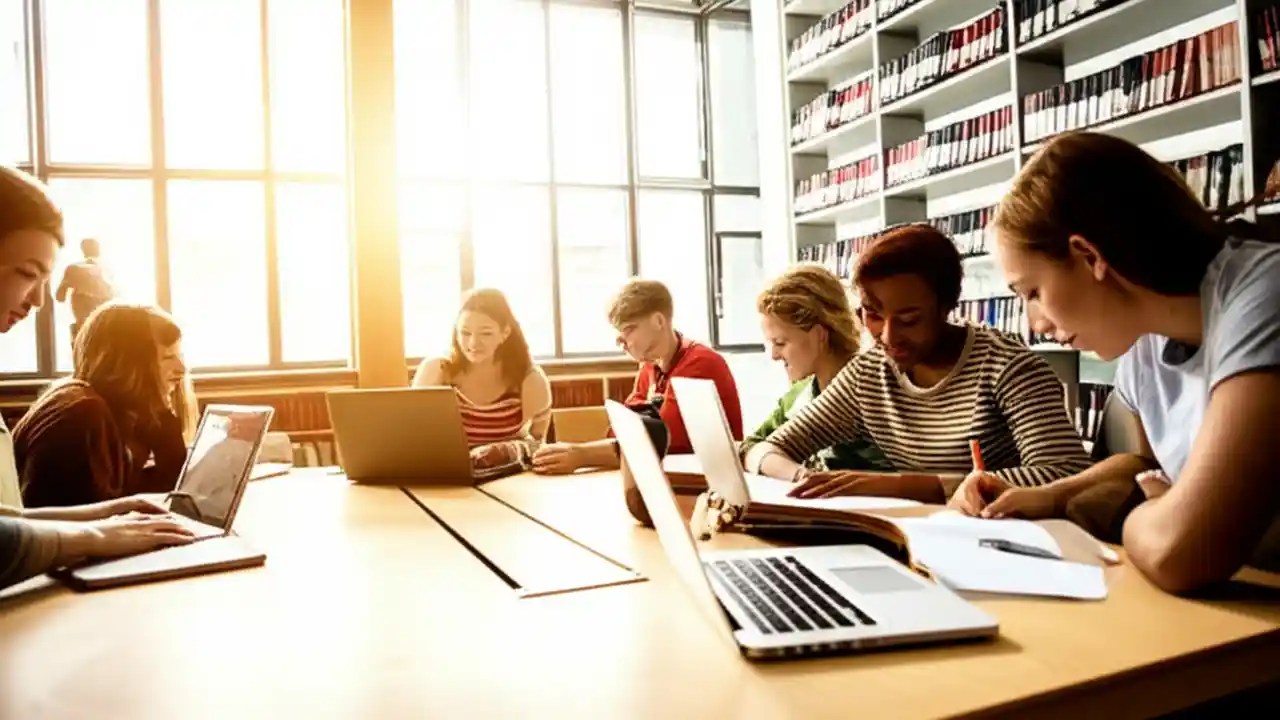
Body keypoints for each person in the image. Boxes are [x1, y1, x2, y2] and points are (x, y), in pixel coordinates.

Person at [950, 131, 1280, 594]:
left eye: (1033, 293)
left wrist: (1145, 516)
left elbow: (1181, 552)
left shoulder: (1265, 296)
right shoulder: (1145, 341)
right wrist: (1049, 497)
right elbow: (1145, 465)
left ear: (1089, 256)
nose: (1036, 324)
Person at [743, 224, 1091, 502]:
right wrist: (805, 478)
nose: (889, 337)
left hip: (1012, 537)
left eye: (909, 319)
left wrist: (900, 486)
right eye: (873, 315)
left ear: (946, 306)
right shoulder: (870, 374)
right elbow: (766, 448)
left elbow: (1066, 471)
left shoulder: (1007, 367)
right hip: (926, 535)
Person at [0, 166, 191, 590]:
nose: (37, 301)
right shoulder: (83, 413)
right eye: (28, 273)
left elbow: (7, 519)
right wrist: (97, 534)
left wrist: (109, 515)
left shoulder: (87, 403)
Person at [533, 278, 743, 475]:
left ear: (659, 321)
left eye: (629, 329)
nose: (621, 341)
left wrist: (581, 455)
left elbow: (656, 445)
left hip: (705, 486)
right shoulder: (649, 366)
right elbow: (624, 430)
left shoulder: (700, 364)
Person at [15, 302, 196, 508]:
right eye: (167, 357)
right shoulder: (84, 414)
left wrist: (161, 420)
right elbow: (92, 519)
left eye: (180, 357)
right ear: (126, 363)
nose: (181, 369)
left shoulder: (89, 401)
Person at [749, 263, 892, 472]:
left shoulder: (871, 392)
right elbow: (751, 446)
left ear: (820, 335)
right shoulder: (798, 394)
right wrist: (798, 476)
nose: (774, 356)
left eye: (780, 343)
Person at [412, 288, 552, 477]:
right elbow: (414, 435)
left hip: (506, 479)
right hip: (445, 475)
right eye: (465, 332)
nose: (473, 343)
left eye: (485, 333)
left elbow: (538, 446)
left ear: (505, 333)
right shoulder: (437, 370)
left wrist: (504, 451)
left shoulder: (529, 379)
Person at [55, 237, 115, 342]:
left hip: (83, 328)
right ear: (98, 250)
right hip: (107, 326)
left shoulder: (74, 269)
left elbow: (60, 296)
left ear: (83, 250)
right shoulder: (109, 271)